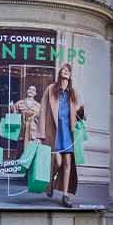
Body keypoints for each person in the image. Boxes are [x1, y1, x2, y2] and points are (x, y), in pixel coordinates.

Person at [40, 61, 84, 206]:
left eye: (68, 70)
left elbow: (78, 113)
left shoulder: (73, 92)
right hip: (54, 132)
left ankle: (65, 195)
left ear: (70, 75)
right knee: (57, 163)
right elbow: (43, 111)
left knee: (67, 163)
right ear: (60, 73)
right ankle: (50, 184)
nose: (65, 71)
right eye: (63, 70)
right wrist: (41, 134)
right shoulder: (51, 89)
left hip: (68, 132)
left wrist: (82, 112)